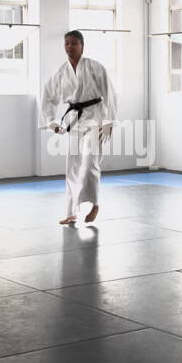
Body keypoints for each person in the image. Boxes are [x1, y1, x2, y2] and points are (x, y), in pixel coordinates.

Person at [40, 30, 117, 225]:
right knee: (72, 165)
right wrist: (51, 121)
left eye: (74, 43)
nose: (69, 47)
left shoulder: (95, 67)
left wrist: (109, 121)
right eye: (66, 43)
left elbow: (109, 93)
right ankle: (70, 211)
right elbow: (48, 95)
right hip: (74, 119)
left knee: (90, 162)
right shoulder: (61, 71)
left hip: (95, 117)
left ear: (82, 46)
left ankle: (94, 204)